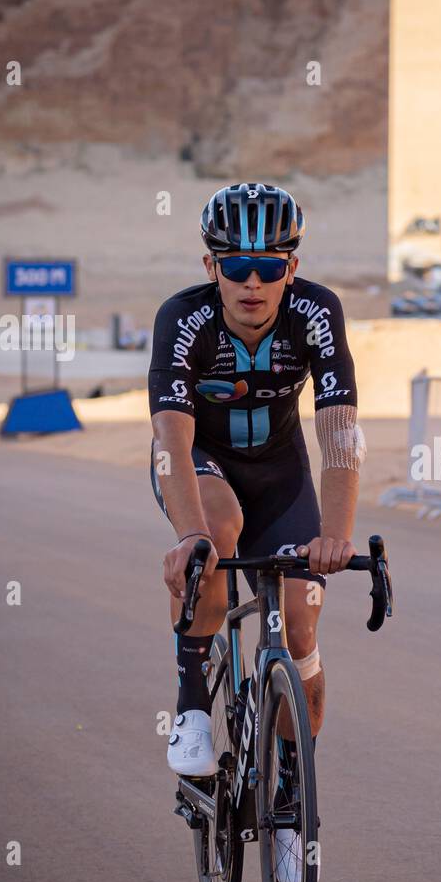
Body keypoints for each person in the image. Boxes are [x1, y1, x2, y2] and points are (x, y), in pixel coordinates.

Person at [148, 183, 362, 806]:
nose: (252, 283)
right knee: (215, 534)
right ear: (211, 266)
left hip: (281, 472)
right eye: (236, 266)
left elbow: (341, 433)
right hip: (199, 465)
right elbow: (169, 437)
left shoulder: (316, 313)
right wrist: (188, 538)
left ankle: (293, 797)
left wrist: (338, 537)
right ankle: (191, 707)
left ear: (290, 268)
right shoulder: (182, 319)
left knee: (299, 632)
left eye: (268, 267)